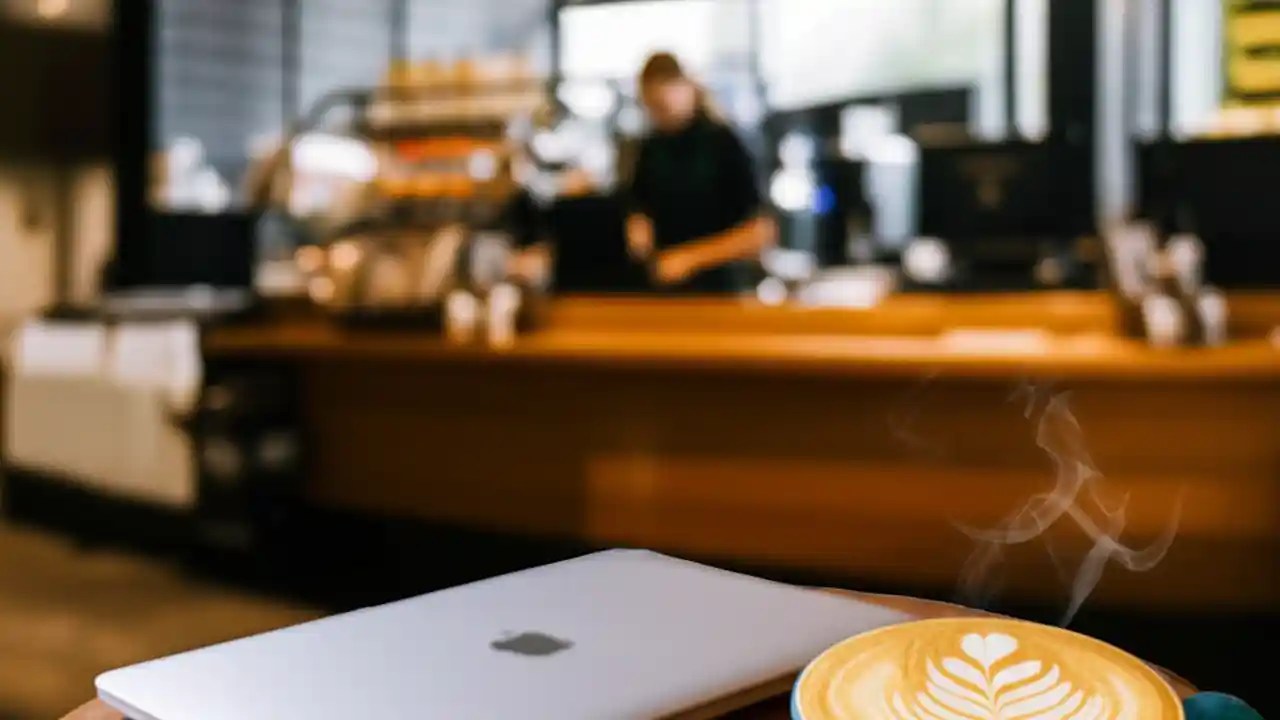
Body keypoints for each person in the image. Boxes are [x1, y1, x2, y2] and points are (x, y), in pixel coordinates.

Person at [626, 52, 774, 293]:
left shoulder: (724, 143)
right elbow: (638, 205)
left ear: (688, 88)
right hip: (664, 294)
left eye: (663, 104)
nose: (658, 114)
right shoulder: (650, 148)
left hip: (723, 293)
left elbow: (760, 232)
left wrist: (689, 259)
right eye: (652, 107)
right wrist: (637, 223)